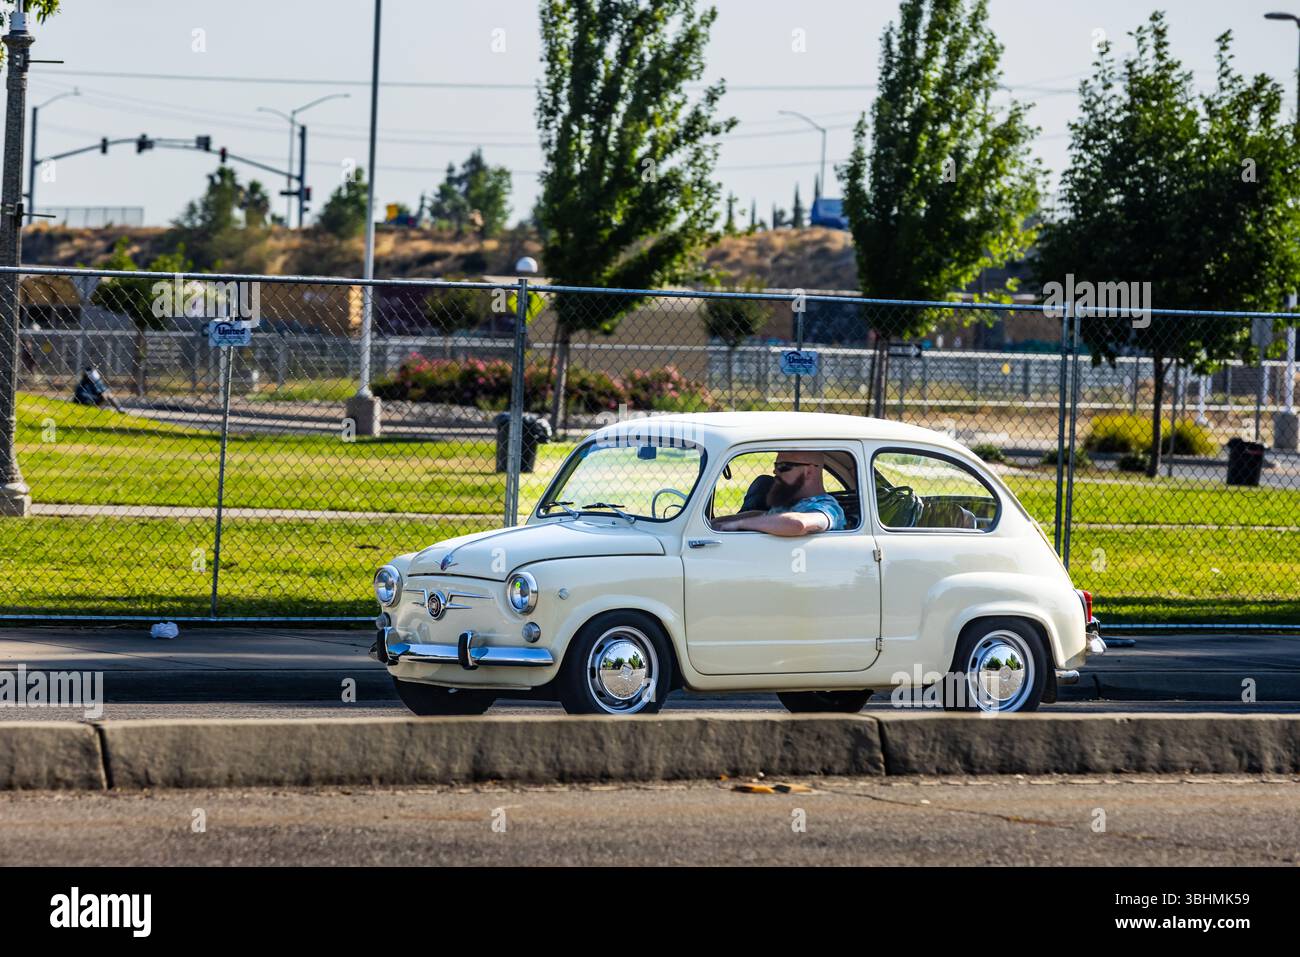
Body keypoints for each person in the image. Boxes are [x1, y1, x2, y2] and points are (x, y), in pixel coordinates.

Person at [713, 451, 846, 537]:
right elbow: (765, 516)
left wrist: (739, 525)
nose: (775, 471)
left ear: (809, 472)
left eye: (783, 466)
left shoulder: (828, 508)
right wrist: (717, 522)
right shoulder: (789, 504)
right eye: (776, 465)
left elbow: (798, 524)